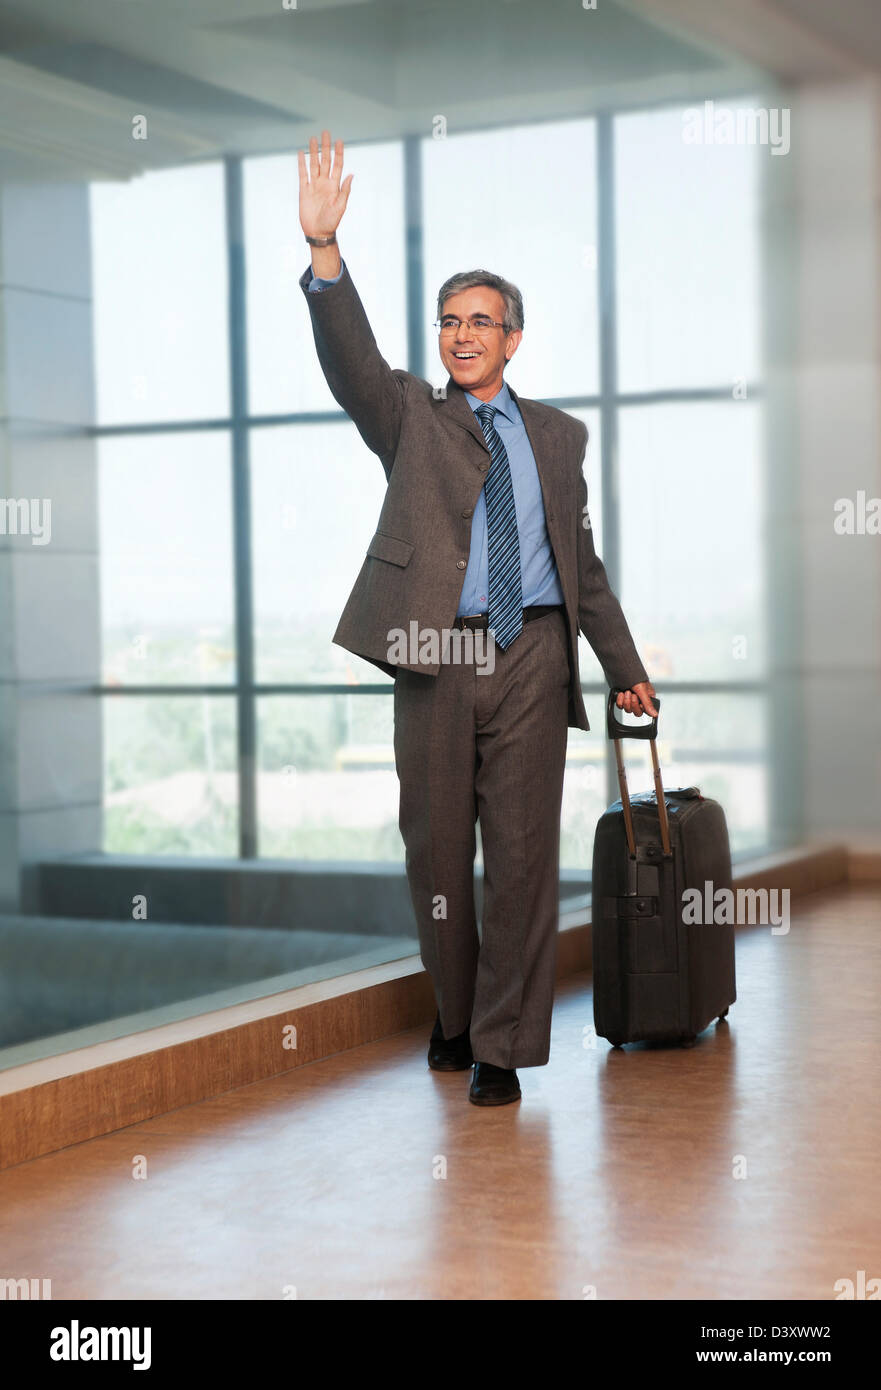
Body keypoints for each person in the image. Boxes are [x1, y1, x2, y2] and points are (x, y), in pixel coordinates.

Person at [298, 130, 657, 1106]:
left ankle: (501, 1047)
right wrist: (327, 258)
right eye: (448, 321)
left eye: (479, 321)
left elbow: (578, 563)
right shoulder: (410, 416)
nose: (459, 335)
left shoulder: (555, 437)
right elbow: (352, 365)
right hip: (432, 651)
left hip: (535, 647)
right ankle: (454, 1014)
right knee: (436, 848)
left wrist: (619, 661)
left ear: (512, 337)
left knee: (524, 857)